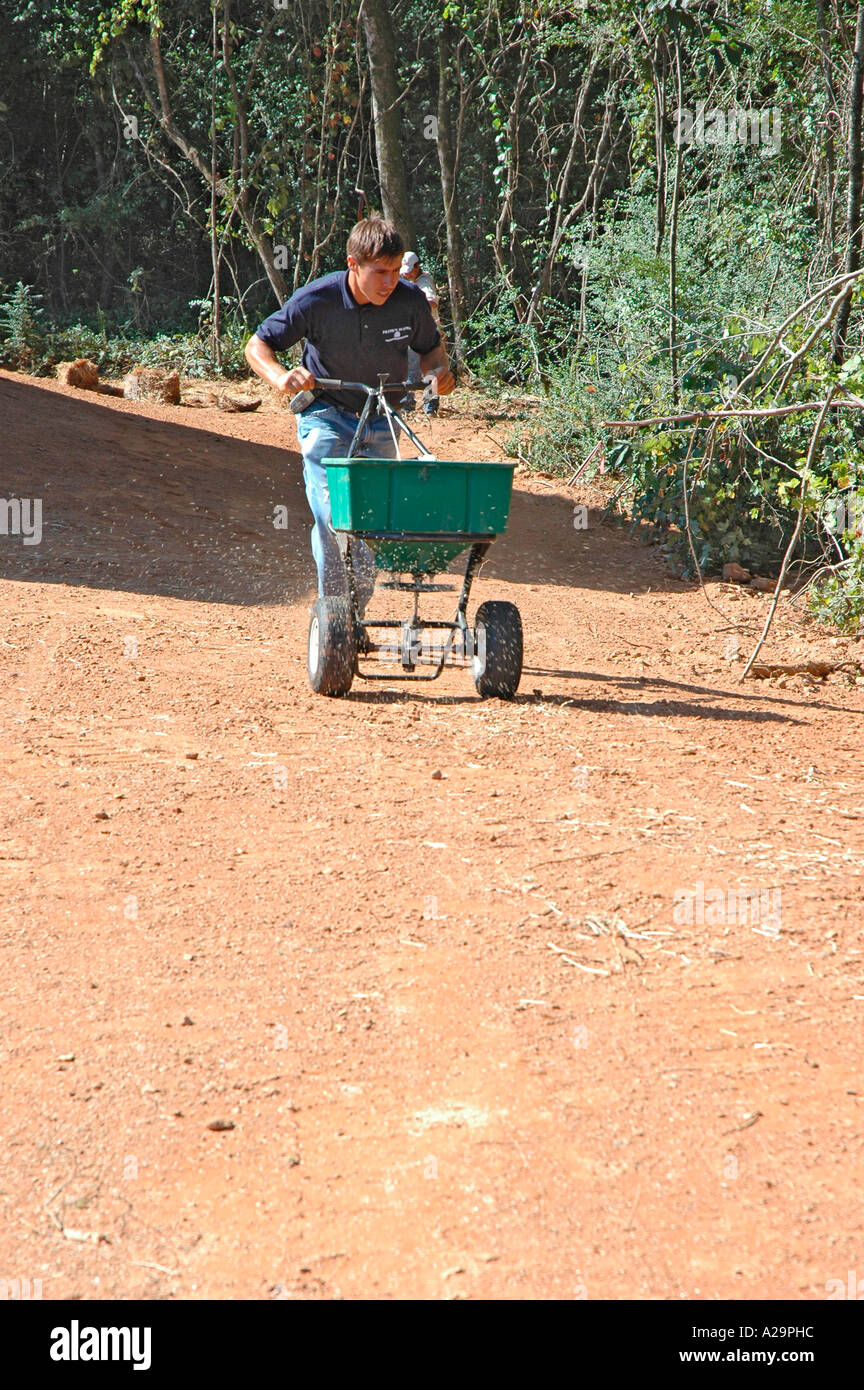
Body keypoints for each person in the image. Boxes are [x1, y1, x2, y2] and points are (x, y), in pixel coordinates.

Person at [244, 218, 454, 613]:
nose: (390, 282)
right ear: (353, 264)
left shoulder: (409, 301)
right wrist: (281, 376)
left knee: (369, 523)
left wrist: (437, 374)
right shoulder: (318, 299)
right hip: (326, 414)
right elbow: (258, 345)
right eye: (380, 272)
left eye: (395, 272)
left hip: (383, 418)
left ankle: (349, 619)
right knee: (334, 513)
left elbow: (432, 350)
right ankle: (336, 610)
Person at [401, 251, 444, 410]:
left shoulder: (423, 281)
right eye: (406, 272)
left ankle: (414, 404)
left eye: (411, 270)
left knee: (417, 369)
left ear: (418, 266)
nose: (408, 274)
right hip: (418, 332)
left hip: (425, 334)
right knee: (421, 369)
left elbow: (432, 301)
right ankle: (423, 404)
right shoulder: (411, 283)